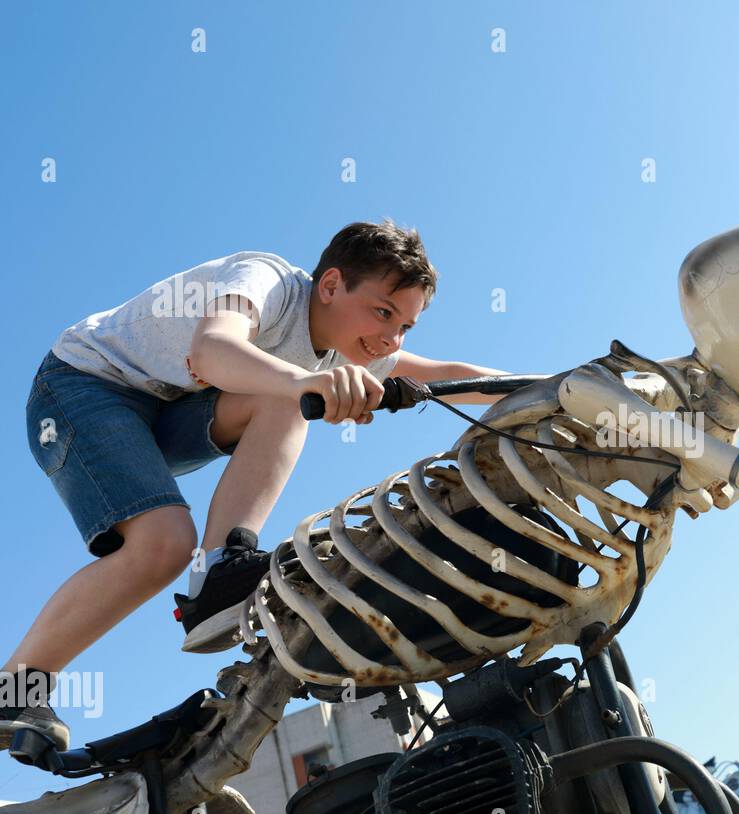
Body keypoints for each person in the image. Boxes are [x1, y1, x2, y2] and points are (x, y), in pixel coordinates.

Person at [2, 218, 507, 751]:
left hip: (165, 414)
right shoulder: (266, 282)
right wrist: (303, 380)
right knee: (163, 544)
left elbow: (446, 372)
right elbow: (213, 349)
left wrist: (557, 386)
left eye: (404, 326)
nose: (390, 337)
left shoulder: (355, 347)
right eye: (383, 312)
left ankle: (221, 571)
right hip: (82, 389)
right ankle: (15, 687)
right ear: (331, 285)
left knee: (289, 400)